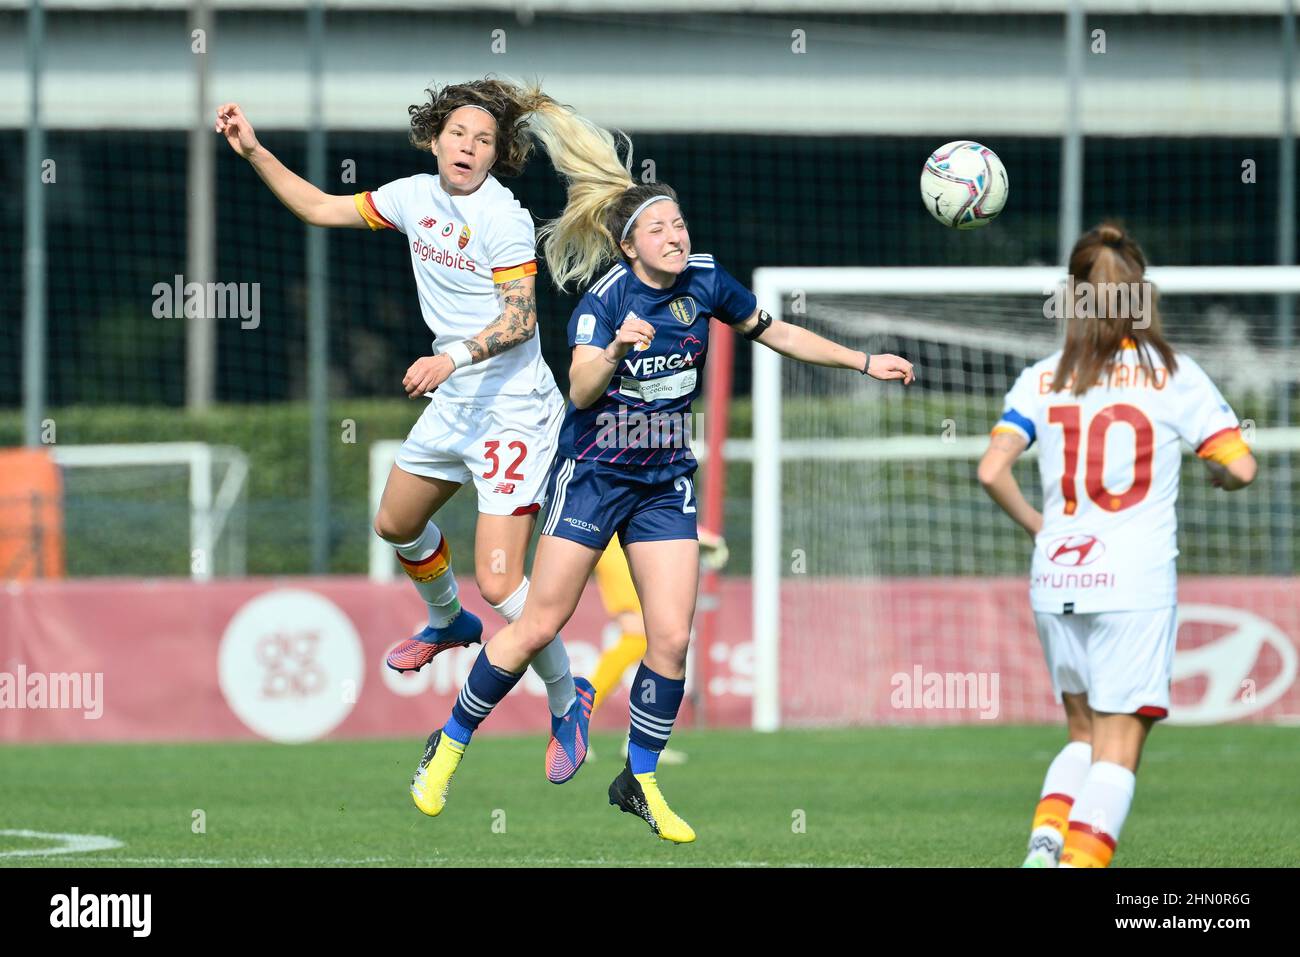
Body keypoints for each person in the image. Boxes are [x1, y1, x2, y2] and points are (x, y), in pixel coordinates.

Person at [408, 110, 916, 841]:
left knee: (670, 638)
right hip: (592, 478)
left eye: (679, 223)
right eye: (660, 228)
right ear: (628, 244)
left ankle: (638, 778)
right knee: (539, 622)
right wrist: (616, 348)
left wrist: (864, 360)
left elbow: (778, 332)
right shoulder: (605, 303)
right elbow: (581, 388)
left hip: (662, 484)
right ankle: (447, 746)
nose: (677, 235)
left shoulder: (706, 281)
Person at [215, 79, 592, 782]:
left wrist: (447, 357)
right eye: (458, 134)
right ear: (435, 137)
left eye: (484, 140)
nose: (468, 147)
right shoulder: (411, 196)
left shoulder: (503, 217)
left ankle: (570, 701)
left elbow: (522, 321)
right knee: (394, 522)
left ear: (497, 155)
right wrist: (255, 152)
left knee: (504, 584)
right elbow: (322, 207)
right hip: (456, 400)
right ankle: (448, 622)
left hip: (512, 407)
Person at [977, 223, 1257, 868]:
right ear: (1141, 296)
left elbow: (991, 470)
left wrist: (1044, 531)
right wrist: (1216, 470)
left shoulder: (1041, 378)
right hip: (1133, 583)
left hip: (1058, 578)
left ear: (1075, 297)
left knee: (1082, 733)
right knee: (1119, 747)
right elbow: (1240, 467)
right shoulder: (1174, 377)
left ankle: (1043, 849)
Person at [586, 527, 728, 765]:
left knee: (651, 641)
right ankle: (574, 720)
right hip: (613, 535)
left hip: (629, 539)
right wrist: (705, 536)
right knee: (641, 633)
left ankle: (639, 739)